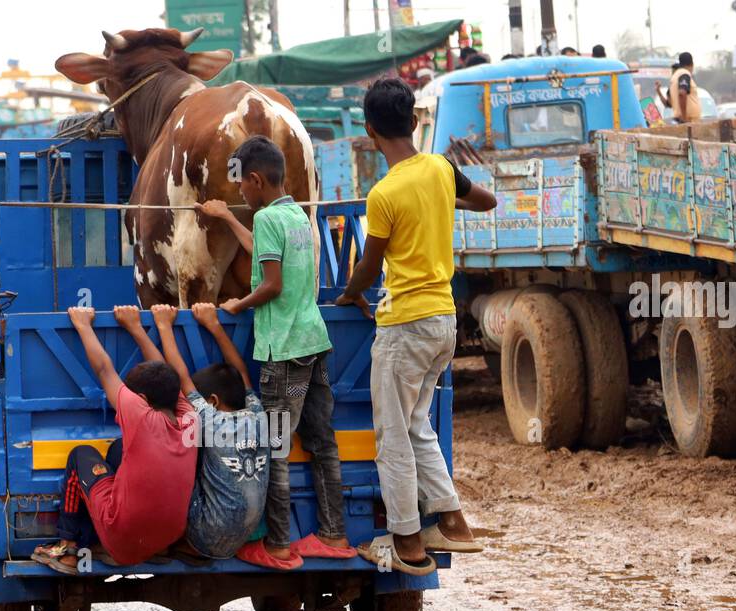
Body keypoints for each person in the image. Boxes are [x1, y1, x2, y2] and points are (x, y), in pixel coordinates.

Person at [334, 78, 497, 575]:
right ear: (414, 122)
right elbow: (487, 200)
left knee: (392, 436)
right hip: (443, 322)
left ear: (369, 130)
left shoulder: (384, 193)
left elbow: (369, 264)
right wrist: (446, 201)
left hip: (405, 324)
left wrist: (350, 293)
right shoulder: (442, 169)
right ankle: (453, 521)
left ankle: (406, 541)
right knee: (416, 424)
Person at [195, 135, 355, 570]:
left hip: (283, 352)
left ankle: (279, 544)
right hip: (316, 343)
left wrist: (235, 305)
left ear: (255, 179)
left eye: (242, 188)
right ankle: (334, 535)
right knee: (323, 442)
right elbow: (269, 256)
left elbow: (271, 285)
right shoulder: (296, 215)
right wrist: (228, 218)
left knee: (276, 448)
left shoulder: (267, 217)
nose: (241, 194)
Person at [32, 306, 197, 572]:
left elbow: (104, 370)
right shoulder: (190, 417)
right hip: (168, 537)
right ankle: (156, 548)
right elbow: (165, 373)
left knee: (81, 454)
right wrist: (135, 328)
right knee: (121, 449)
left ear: (141, 401)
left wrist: (83, 324)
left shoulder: (141, 417)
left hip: (120, 537)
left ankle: (68, 549)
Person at [145, 301, 270, 562]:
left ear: (212, 401)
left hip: (205, 536)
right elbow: (243, 374)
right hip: (242, 537)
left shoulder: (211, 420)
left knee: (179, 461)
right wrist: (214, 325)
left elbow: (178, 378)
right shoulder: (259, 415)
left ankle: (175, 543)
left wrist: (163, 324)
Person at [657, 53, 702, 124]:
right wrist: (684, 118)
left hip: (683, 120)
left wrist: (658, 92)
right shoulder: (684, 74)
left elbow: (668, 104)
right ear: (692, 64)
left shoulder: (674, 78)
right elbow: (682, 93)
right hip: (689, 121)